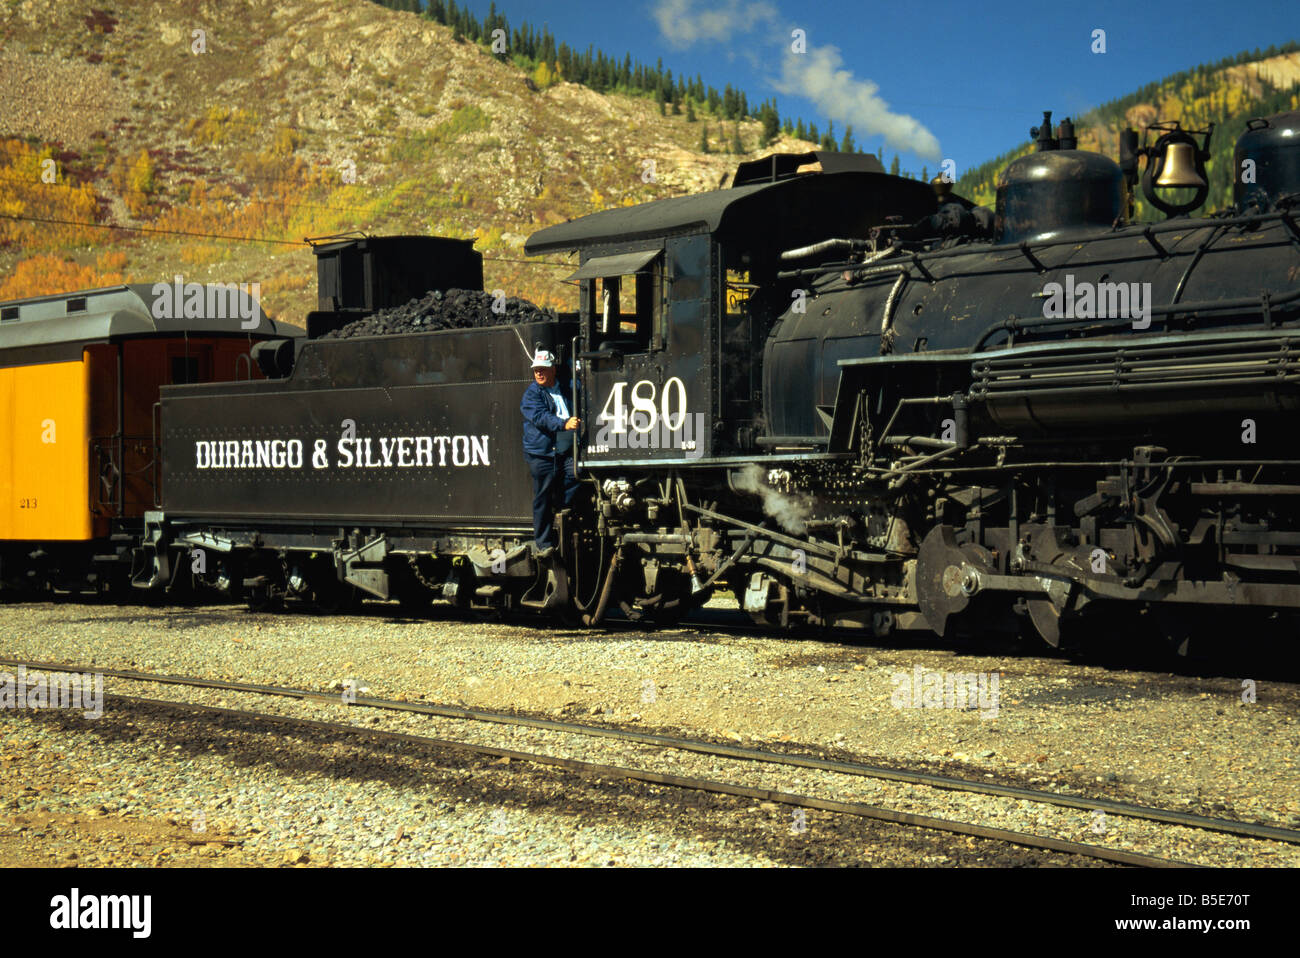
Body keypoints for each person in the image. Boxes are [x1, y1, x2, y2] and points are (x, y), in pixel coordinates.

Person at [520, 349, 580, 555]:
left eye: (543, 369)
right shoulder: (531, 395)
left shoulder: (564, 387)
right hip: (543, 453)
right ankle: (543, 543)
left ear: (553, 369)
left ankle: (561, 506)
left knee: (576, 472)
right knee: (542, 496)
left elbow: (580, 384)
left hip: (565, 450)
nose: (538, 373)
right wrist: (564, 424)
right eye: (536, 370)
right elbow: (541, 418)